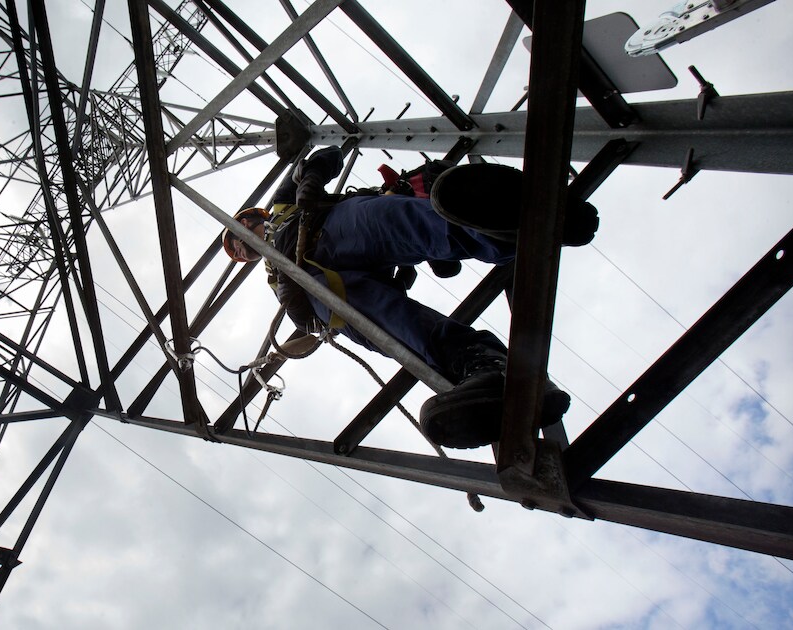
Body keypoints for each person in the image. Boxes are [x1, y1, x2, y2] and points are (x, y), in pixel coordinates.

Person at [222, 146, 598, 448]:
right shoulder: (272, 275)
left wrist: (311, 178)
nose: (239, 248)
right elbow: (306, 321)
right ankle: (488, 368)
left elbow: (328, 156)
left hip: (329, 226)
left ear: (249, 220)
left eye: (236, 236)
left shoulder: (283, 205)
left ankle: (519, 222)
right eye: (236, 252)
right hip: (324, 285)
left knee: (405, 222)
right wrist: (297, 303)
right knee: (394, 327)